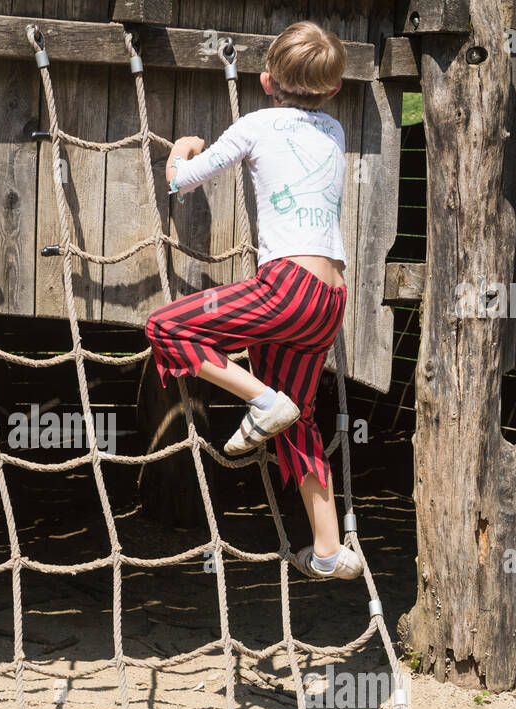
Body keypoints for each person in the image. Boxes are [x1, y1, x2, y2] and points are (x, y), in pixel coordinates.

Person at [144, 20, 361, 580]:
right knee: (303, 418)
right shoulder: (334, 130)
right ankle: (330, 549)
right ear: (334, 88)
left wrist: (184, 148)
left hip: (287, 286)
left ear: (265, 81)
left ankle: (259, 400)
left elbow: (181, 182)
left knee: (167, 328)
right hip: (331, 298)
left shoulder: (256, 123)